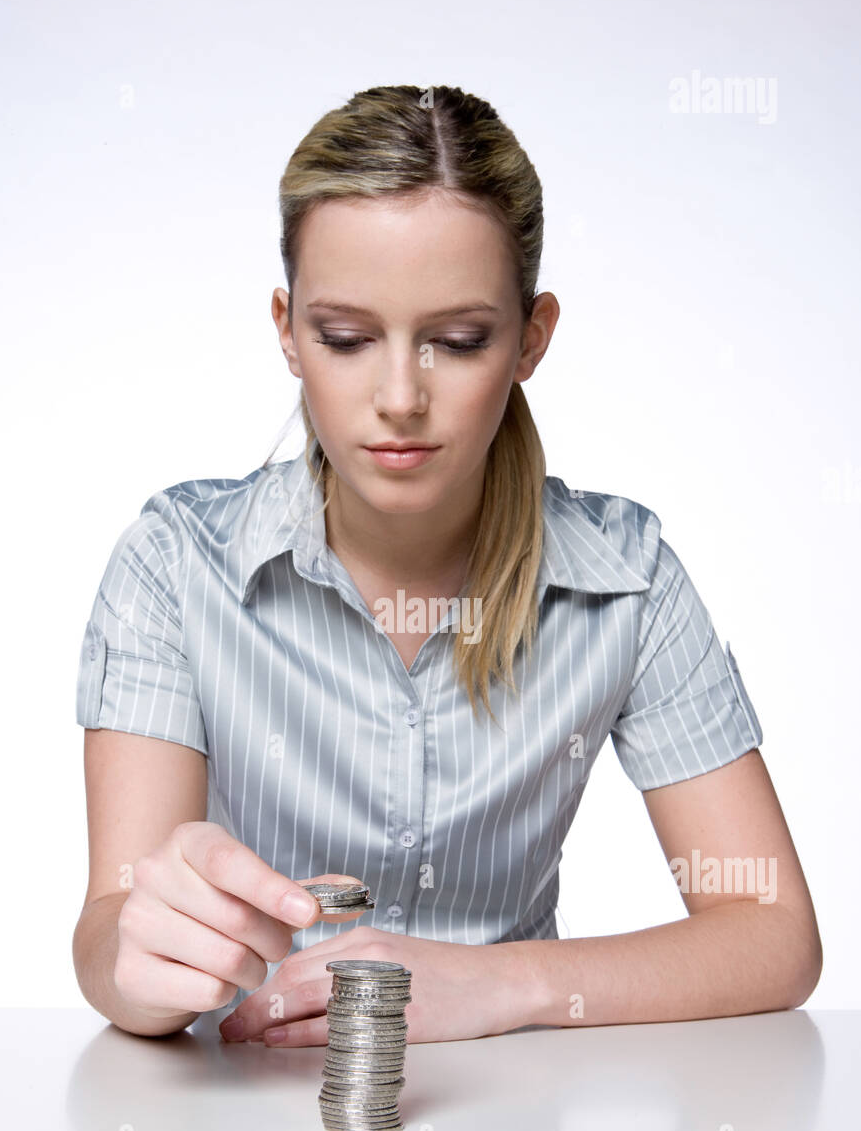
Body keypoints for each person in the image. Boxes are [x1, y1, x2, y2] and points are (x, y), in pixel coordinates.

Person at [73, 84, 822, 1045]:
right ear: (287, 332)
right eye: (344, 338)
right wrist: (142, 969)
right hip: (241, 1119)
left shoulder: (627, 581)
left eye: (458, 341)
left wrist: (496, 986)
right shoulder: (176, 566)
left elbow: (775, 935)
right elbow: (110, 932)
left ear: (530, 340)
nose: (398, 397)